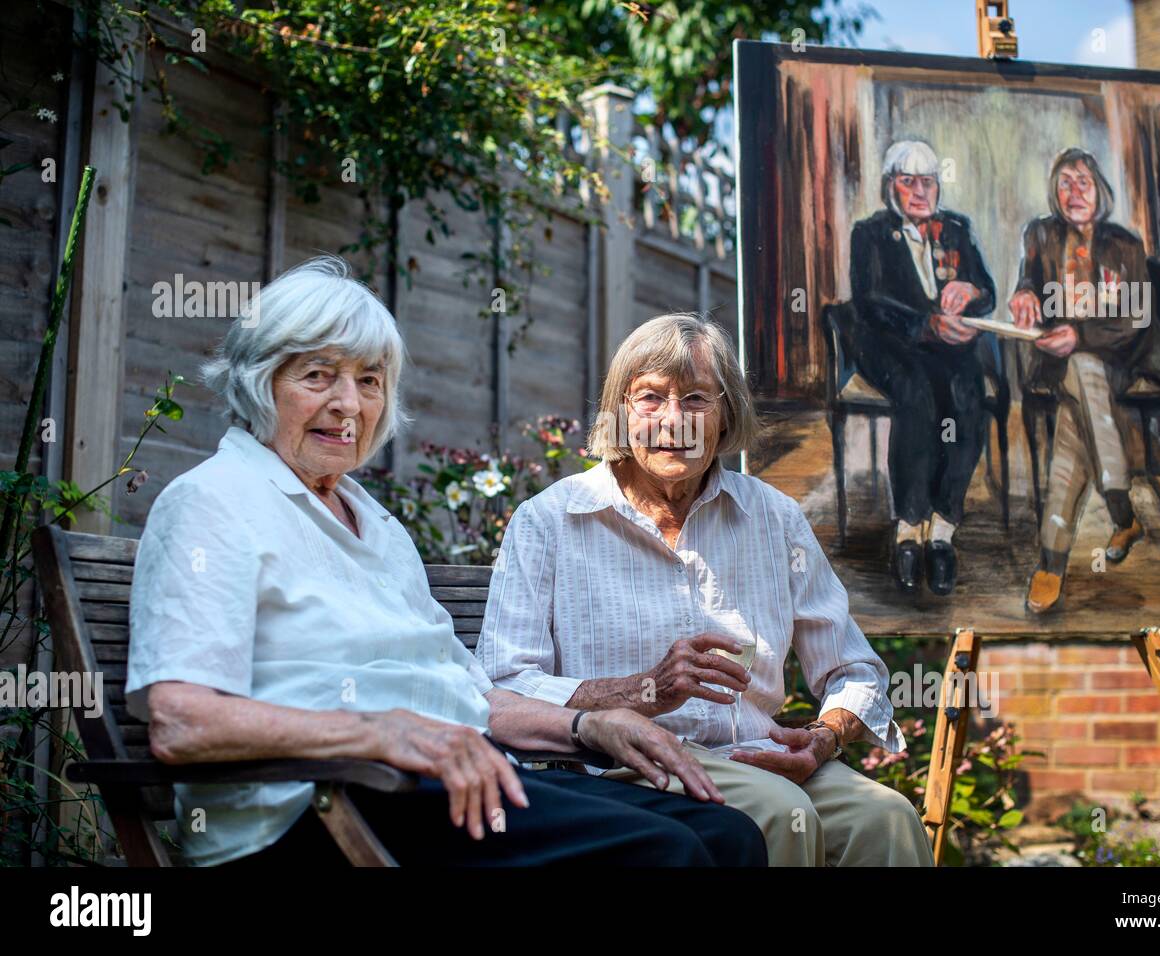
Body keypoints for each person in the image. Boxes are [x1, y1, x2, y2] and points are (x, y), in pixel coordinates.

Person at [124, 256, 767, 867]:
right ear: (257, 378)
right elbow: (182, 720)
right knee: (665, 856)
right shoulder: (213, 504)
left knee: (725, 835)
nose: (349, 404)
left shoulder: (370, 521)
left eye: (369, 381)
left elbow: (474, 698)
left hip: (448, 785)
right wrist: (380, 733)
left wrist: (589, 725)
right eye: (318, 375)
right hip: (315, 814)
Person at [476, 312, 934, 867]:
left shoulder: (772, 518)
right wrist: (640, 690)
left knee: (885, 818)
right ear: (620, 414)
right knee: (775, 811)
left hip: (756, 752)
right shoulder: (550, 521)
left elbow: (854, 672)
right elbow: (503, 684)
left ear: (725, 416)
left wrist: (821, 739)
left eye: (696, 399)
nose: (675, 421)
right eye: (650, 398)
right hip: (626, 763)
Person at [1009, 147, 1160, 613]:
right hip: (1061, 366)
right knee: (1076, 403)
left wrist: (1080, 334)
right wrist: (1025, 295)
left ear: (1099, 190)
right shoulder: (1041, 235)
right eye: (1064, 182)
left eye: (1082, 181)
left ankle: (1051, 563)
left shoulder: (1125, 245)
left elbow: (1138, 318)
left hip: (1118, 359)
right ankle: (1121, 511)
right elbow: (1027, 280)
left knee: (1080, 392)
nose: (1073, 192)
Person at [845, 140, 997, 596]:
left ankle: (944, 527)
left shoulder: (956, 229)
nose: (918, 191)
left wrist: (969, 292)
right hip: (891, 342)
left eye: (926, 181)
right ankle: (910, 527)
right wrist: (924, 324)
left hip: (946, 345)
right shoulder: (870, 234)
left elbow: (987, 292)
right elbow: (869, 303)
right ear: (890, 186)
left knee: (970, 394)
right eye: (907, 181)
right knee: (915, 394)